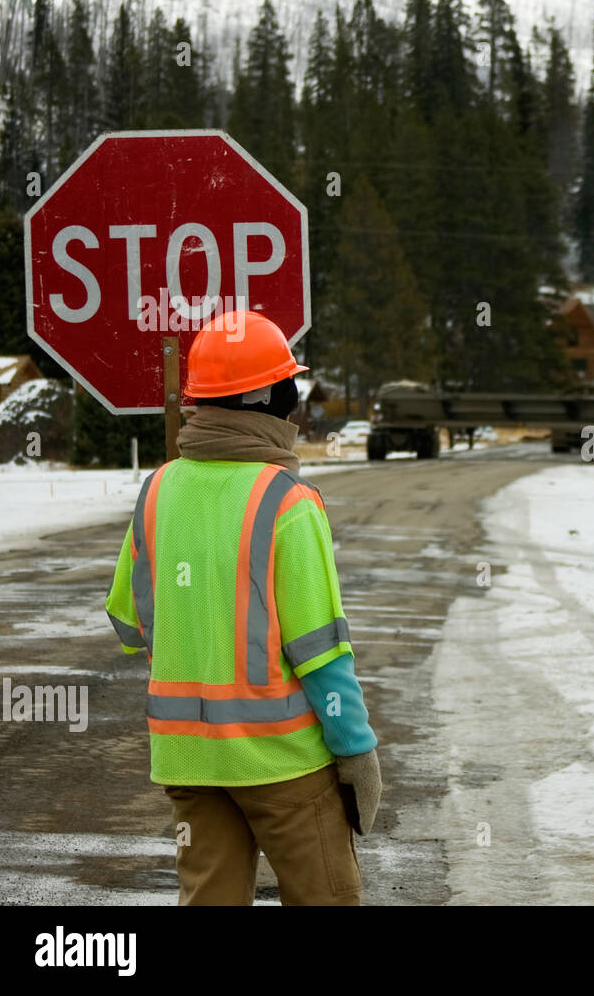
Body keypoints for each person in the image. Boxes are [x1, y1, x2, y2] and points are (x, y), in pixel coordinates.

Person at [105, 310, 382, 906]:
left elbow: (129, 624)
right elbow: (321, 652)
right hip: (283, 762)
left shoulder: (157, 489)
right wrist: (356, 750)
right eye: (289, 389)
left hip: (187, 757)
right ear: (270, 401)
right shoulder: (287, 500)